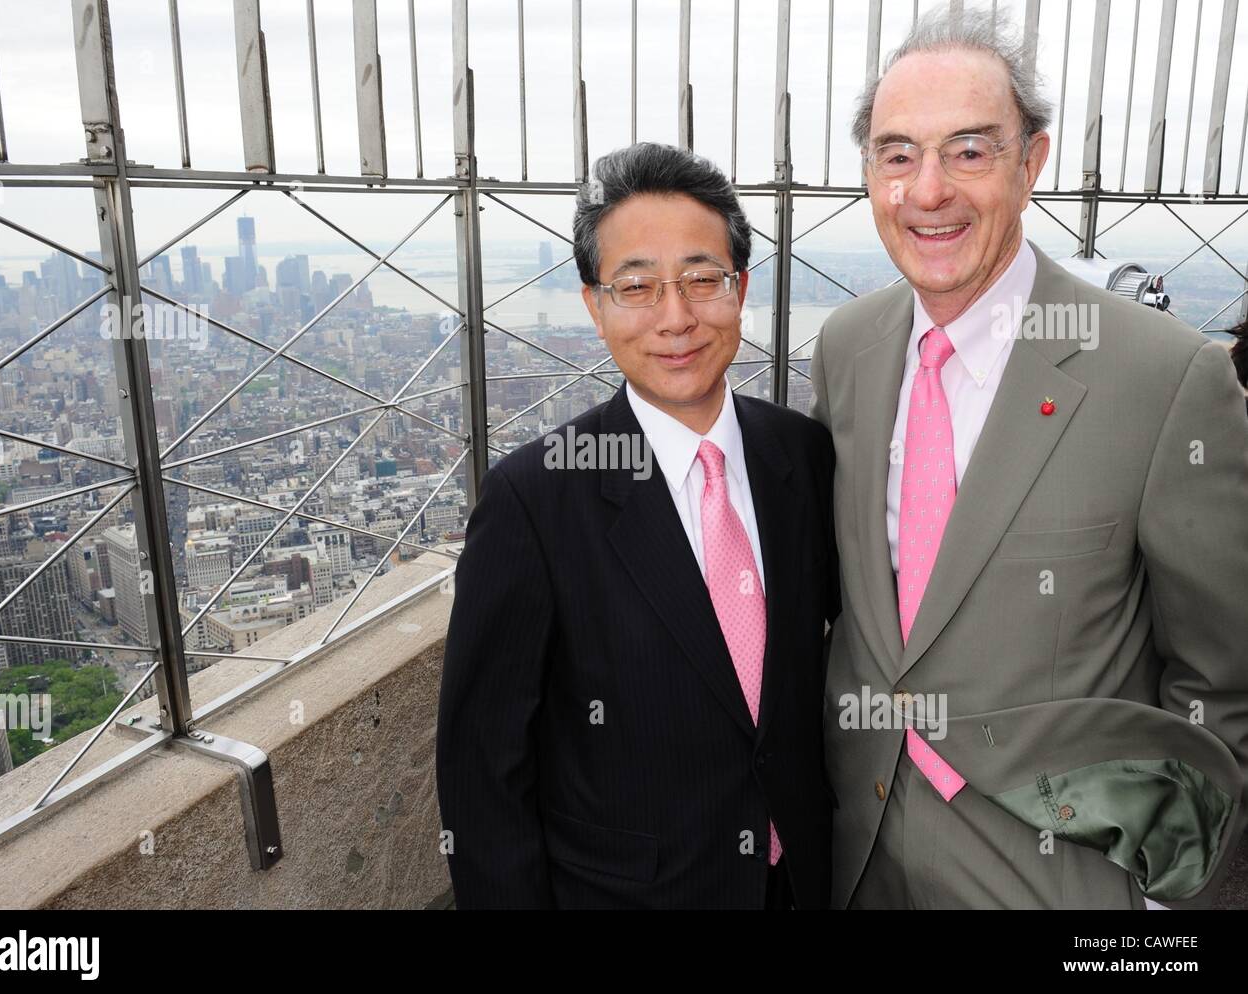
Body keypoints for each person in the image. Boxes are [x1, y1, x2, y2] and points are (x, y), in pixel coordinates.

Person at [811, 6, 1248, 909]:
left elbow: (1225, 674)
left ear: (1032, 162)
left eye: (969, 150)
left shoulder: (1165, 378)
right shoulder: (846, 348)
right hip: (857, 859)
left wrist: (1169, 901)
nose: (928, 190)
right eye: (898, 154)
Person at [437, 141, 840, 908]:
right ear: (593, 305)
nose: (677, 317)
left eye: (702, 279)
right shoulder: (533, 500)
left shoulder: (802, 456)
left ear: (741, 288)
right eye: (637, 287)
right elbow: (483, 773)